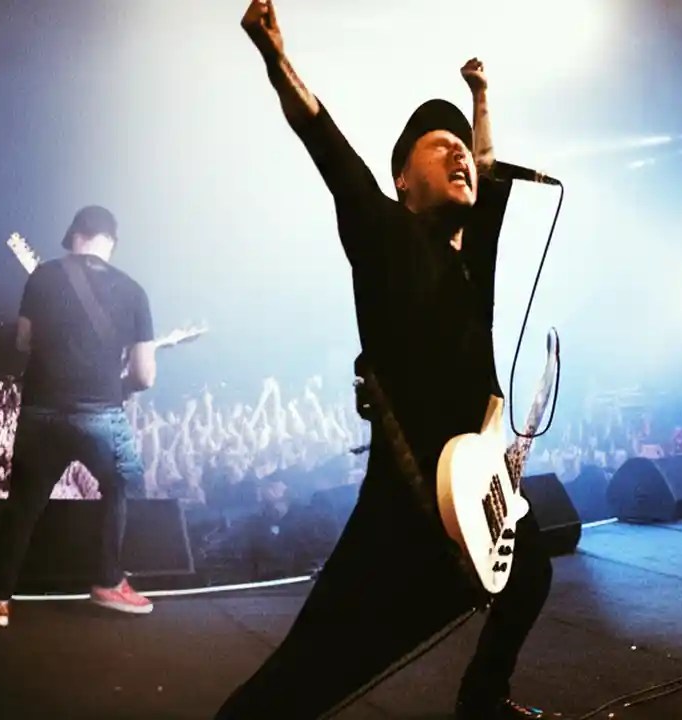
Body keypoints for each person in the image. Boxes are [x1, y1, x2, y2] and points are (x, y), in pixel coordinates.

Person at [217, 2, 553, 719]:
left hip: (476, 494)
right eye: (440, 146)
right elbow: (322, 139)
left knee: (529, 573)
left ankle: (481, 698)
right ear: (403, 178)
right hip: (403, 508)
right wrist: (275, 54)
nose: (459, 153)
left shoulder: (476, 266)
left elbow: (487, 171)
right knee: (303, 678)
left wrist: (481, 101)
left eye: (460, 144)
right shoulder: (384, 236)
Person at [0, 205, 157, 626]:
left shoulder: (43, 277)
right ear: (111, 241)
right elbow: (145, 376)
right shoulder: (134, 292)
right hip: (100, 415)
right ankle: (108, 581)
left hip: (41, 412)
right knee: (119, 483)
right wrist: (115, 382)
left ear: (74, 235)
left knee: (24, 505)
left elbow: (23, 341)